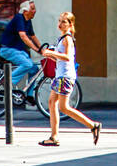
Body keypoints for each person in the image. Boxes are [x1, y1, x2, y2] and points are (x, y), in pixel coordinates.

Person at [39, 12, 100, 147]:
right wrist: (50, 55)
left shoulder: (68, 39)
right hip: (59, 75)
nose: (60, 24)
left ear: (70, 24)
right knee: (51, 102)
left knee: (64, 107)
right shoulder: (62, 38)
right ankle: (54, 137)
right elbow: (61, 58)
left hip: (65, 76)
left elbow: (67, 57)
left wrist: (52, 53)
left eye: (64, 22)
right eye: (59, 21)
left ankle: (93, 125)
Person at [0, 0, 44, 97]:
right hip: (8, 49)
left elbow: (33, 36)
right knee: (27, 64)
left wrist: (42, 49)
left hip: (18, 51)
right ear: (25, 11)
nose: (35, 11)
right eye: (32, 9)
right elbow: (23, 36)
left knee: (34, 69)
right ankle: (7, 80)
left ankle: (30, 95)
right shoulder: (19, 18)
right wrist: (36, 50)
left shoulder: (28, 21)